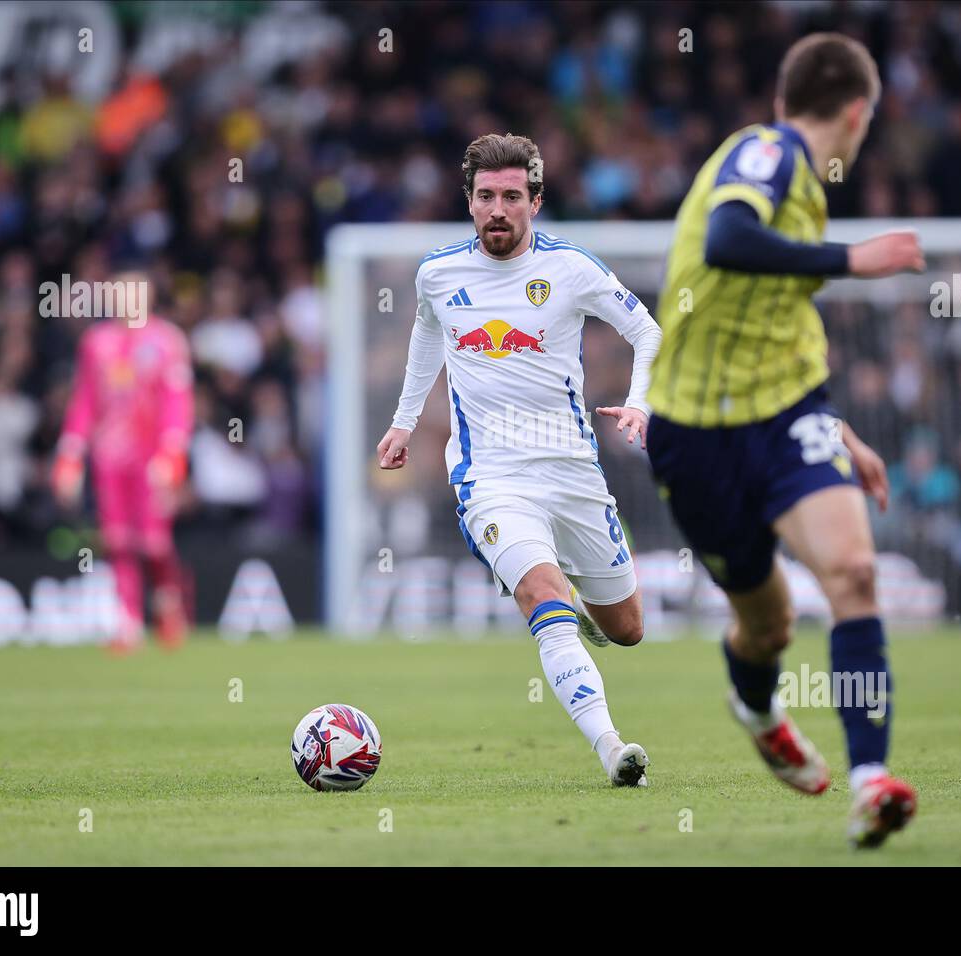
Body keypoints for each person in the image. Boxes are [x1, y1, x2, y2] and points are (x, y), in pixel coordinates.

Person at [645, 34, 925, 847]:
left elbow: (770, 321)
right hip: (695, 434)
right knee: (767, 627)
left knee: (854, 572)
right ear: (858, 115)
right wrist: (854, 259)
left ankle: (870, 782)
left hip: (786, 419)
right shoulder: (767, 153)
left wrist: (836, 429)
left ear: (782, 94)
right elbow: (728, 241)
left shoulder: (802, 186)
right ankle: (758, 708)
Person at [378, 133, 662, 788]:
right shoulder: (438, 274)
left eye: (511, 196)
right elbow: (427, 334)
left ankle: (579, 597)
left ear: (535, 202)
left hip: (572, 471)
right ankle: (611, 748)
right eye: (486, 196)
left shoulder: (571, 269)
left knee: (627, 629)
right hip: (491, 477)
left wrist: (638, 403)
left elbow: (646, 329)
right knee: (542, 595)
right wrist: (403, 422)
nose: (497, 209)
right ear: (469, 201)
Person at [52, 273, 194, 652]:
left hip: (151, 457)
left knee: (154, 541)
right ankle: (127, 622)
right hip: (110, 457)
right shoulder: (96, 342)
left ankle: (168, 603)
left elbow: (177, 400)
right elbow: (84, 401)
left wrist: (173, 450)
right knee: (117, 540)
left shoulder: (166, 341)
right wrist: (70, 453)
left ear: (148, 297)